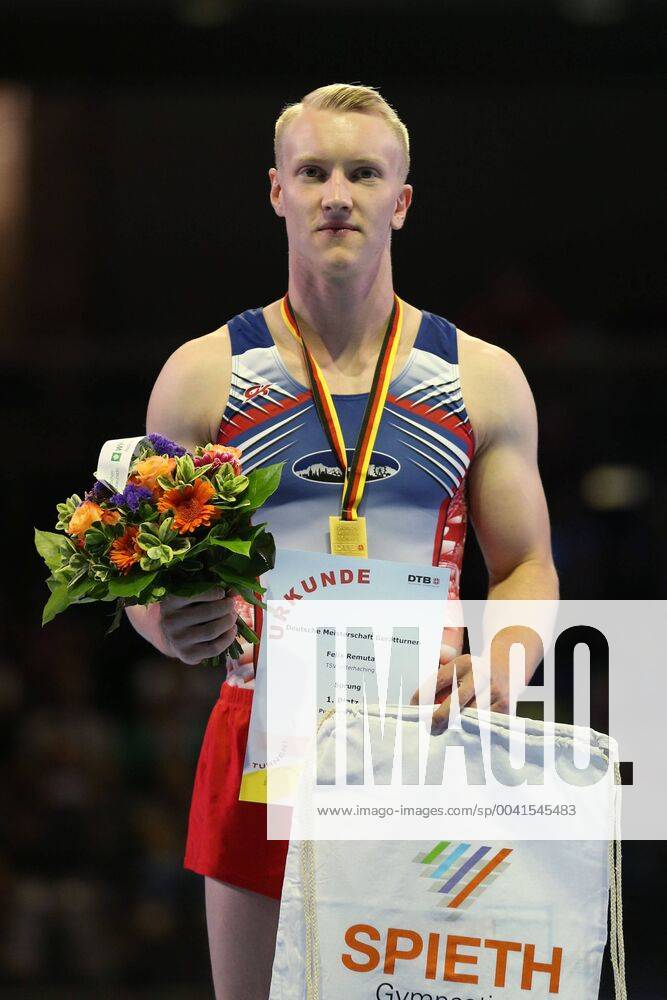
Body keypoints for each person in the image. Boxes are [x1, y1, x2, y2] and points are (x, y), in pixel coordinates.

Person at [125, 84, 559, 999]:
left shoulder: (480, 378)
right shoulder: (203, 377)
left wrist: (504, 662)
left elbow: (524, 566)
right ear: (275, 190)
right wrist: (169, 624)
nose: (337, 194)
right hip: (261, 736)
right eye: (314, 171)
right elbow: (136, 575)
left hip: (427, 736)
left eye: (363, 173)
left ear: (400, 199)